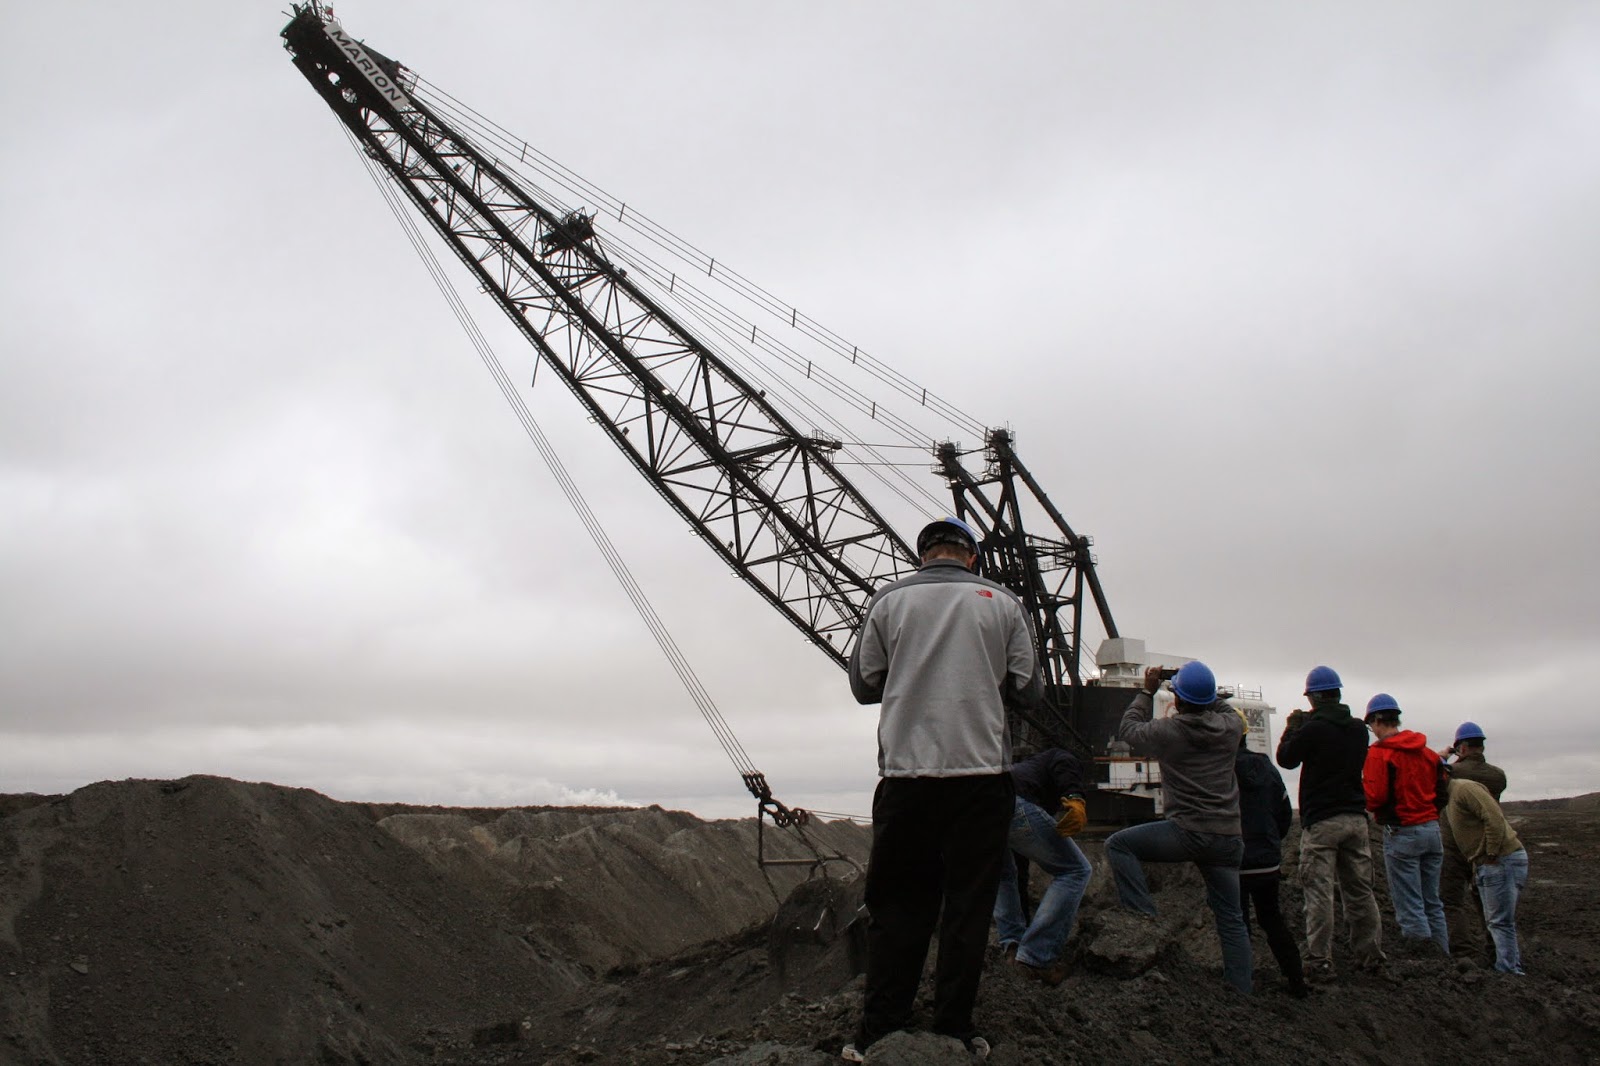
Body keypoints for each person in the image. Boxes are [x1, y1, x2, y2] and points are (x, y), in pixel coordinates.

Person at [844, 516, 1043, 1061]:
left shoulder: (888, 601)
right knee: (967, 909)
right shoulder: (1002, 602)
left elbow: (865, 685)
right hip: (980, 780)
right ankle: (954, 1030)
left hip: (907, 779)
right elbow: (1029, 691)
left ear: (923, 555)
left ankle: (880, 1032)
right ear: (971, 556)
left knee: (897, 907)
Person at [1104, 661, 1253, 995]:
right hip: (1228, 836)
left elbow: (1129, 729)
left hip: (1187, 832)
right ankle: (1242, 993)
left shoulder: (1169, 732)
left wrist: (1148, 689)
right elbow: (1221, 705)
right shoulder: (1230, 727)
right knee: (1231, 919)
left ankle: (1144, 919)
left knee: (1119, 846)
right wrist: (1202, 687)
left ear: (1179, 700)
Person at [1275, 665, 1384, 981]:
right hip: (1356, 820)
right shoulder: (1356, 729)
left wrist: (1293, 727)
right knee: (1361, 892)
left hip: (1322, 821)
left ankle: (1320, 961)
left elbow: (1286, 758)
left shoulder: (1313, 729)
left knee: (1320, 893)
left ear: (1314, 697)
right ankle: (1371, 958)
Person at [993, 747, 1092, 986]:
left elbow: (1020, 871)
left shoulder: (1026, 772)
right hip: (1014, 802)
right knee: (1076, 870)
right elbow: (1064, 761)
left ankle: (1013, 949)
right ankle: (1035, 958)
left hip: (986, 806)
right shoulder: (1062, 756)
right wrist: (1076, 796)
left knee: (1006, 876)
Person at [1361, 693, 1449, 955]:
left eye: (1371, 725)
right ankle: (1444, 960)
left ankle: (1428, 968)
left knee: (1410, 906)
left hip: (1403, 834)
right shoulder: (1428, 754)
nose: (1372, 731)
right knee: (1432, 902)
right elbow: (1443, 792)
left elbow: (1375, 798)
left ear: (1377, 720)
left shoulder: (1379, 754)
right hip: (1432, 831)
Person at [1235, 714, 1308, 996]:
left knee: (1236, 924)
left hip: (1235, 860)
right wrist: (1270, 844)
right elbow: (1283, 812)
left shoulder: (1220, 770)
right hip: (1266, 860)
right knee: (1272, 919)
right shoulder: (1267, 767)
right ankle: (1297, 981)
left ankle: (1240, 985)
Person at [1441, 774, 1529, 974]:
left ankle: (1508, 969)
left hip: (1501, 860)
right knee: (1497, 920)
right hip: (1491, 862)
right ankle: (1507, 966)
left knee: (1499, 921)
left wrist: (1491, 854)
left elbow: (1494, 817)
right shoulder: (1451, 796)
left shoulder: (1464, 788)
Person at [1438, 722, 1508, 965]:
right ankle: (1496, 951)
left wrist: (1447, 758)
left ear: (1462, 747)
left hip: (1453, 845)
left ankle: (1461, 951)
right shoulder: (1497, 776)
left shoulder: (1452, 773)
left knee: (1451, 900)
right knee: (1488, 904)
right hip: (1486, 847)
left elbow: (1437, 773)